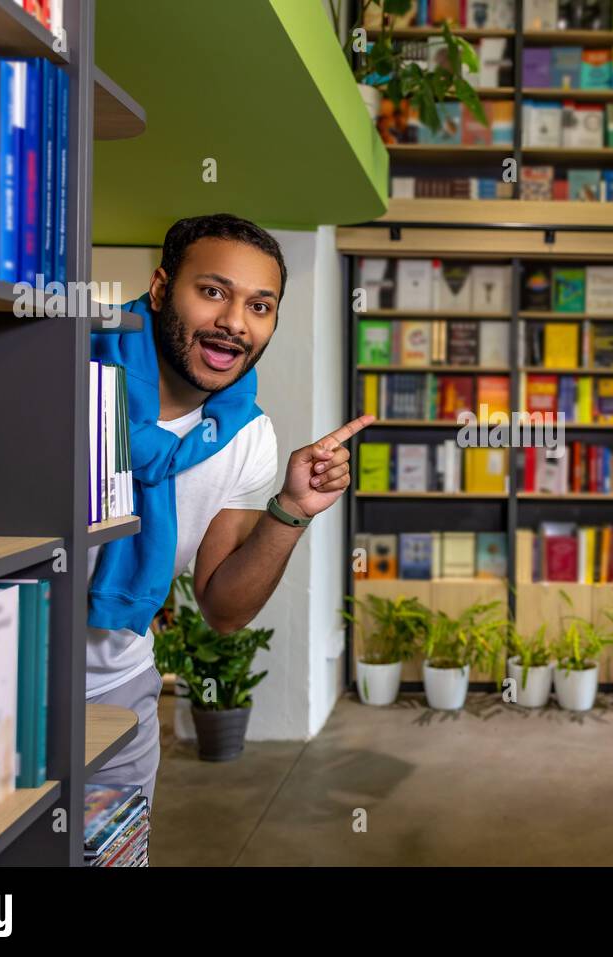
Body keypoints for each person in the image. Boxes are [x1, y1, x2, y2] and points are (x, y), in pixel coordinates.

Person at [85, 213, 373, 808]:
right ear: (162, 288)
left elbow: (223, 609)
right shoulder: (71, 375)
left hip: (117, 689)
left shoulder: (245, 436)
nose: (234, 323)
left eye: (260, 306)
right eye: (212, 292)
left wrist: (292, 510)